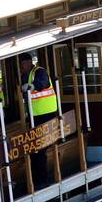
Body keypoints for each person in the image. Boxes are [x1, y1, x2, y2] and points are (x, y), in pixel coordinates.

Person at [21, 52, 58, 187]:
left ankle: (42, 180)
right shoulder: (25, 75)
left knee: (40, 150)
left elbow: (42, 83)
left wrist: (31, 86)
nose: (21, 68)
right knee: (34, 150)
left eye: (23, 65)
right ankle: (37, 180)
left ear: (29, 62)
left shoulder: (40, 71)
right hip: (34, 117)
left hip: (47, 115)